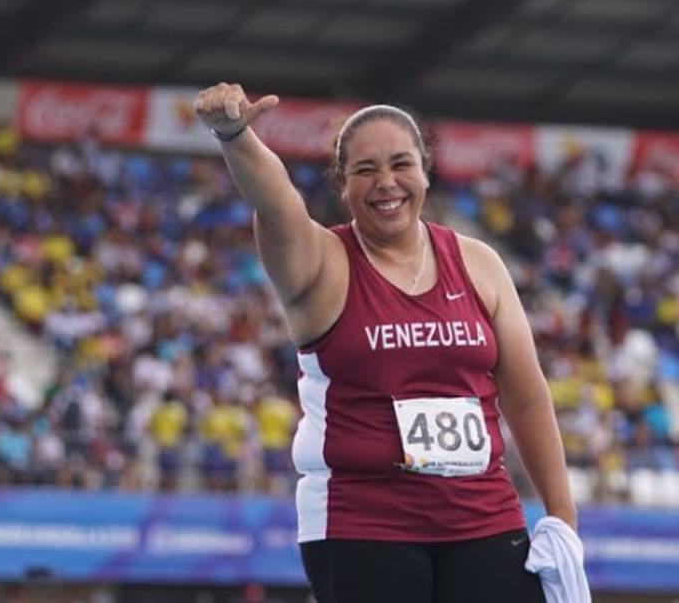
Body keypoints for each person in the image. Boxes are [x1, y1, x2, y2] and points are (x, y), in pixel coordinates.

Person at [195, 83, 578, 603]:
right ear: (342, 183)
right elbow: (276, 201)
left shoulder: (480, 263)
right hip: (363, 522)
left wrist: (563, 520)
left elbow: (527, 395)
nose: (386, 183)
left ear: (425, 171)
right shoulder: (321, 262)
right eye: (365, 170)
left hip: (483, 515)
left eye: (401, 164)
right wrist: (234, 134)